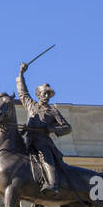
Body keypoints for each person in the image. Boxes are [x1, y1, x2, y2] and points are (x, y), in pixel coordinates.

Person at [17, 61, 71, 198]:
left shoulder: (53, 111)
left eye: (48, 94)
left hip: (43, 142)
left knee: (46, 158)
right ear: (39, 94)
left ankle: (52, 185)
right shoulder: (31, 105)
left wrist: (52, 128)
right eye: (44, 94)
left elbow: (67, 127)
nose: (46, 96)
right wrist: (21, 74)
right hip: (29, 141)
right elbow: (22, 92)